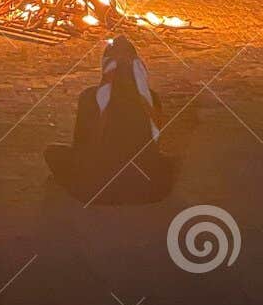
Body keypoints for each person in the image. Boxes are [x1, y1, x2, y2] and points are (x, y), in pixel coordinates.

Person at [44, 36, 173, 204]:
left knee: (53, 153)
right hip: (147, 191)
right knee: (168, 163)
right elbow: (153, 147)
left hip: (94, 189)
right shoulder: (150, 98)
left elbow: (81, 145)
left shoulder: (90, 97)